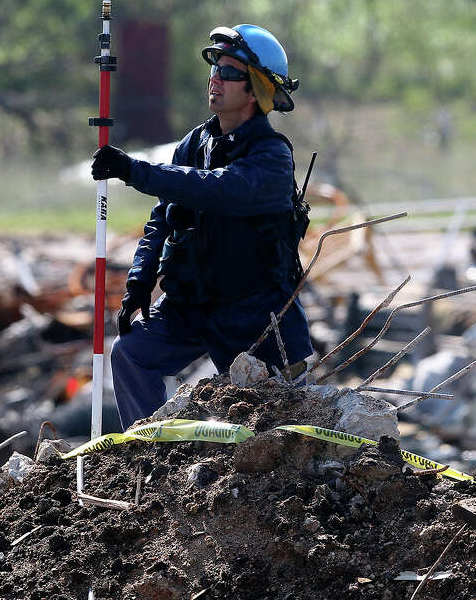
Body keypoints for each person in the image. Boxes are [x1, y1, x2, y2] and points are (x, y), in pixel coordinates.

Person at [91, 24, 314, 428]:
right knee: (130, 353)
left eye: (230, 73)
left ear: (256, 91)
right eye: (214, 68)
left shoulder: (272, 159)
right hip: (192, 305)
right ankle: (150, 451)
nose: (215, 78)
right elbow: (163, 216)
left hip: (254, 317)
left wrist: (132, 170)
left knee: (269, 426)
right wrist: (140, 280)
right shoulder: (193, 145)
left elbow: (217, 189)